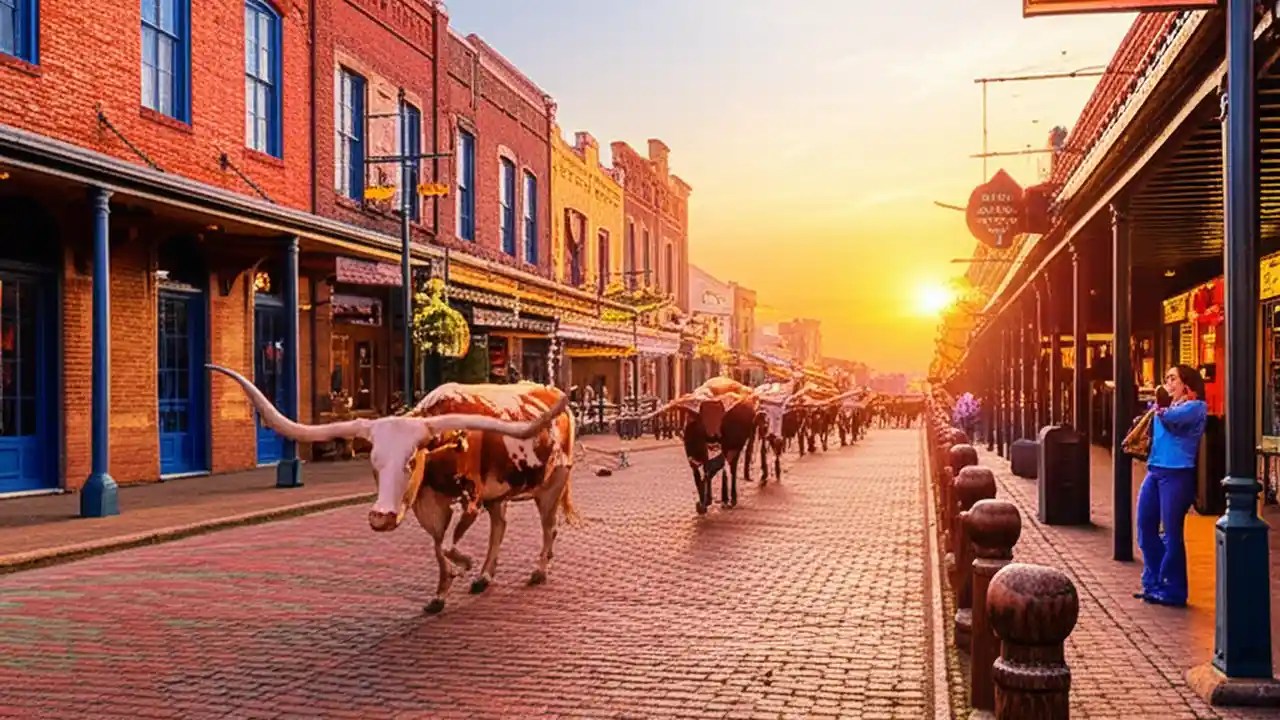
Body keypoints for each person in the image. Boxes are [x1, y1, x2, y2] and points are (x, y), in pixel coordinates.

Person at [1134, 364, 1208, 608]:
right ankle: (1153, 581)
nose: (1168, 383)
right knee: (1145, 526)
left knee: (1171, 533)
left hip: (1177, 475)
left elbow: (1173, 421)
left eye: (1173, 379)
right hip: (1155, 471)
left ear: (1187, 383)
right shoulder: (1165, 407)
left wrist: (1160, 408)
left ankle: (1173, 588)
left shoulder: (1196, 408)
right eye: (1166, 379)